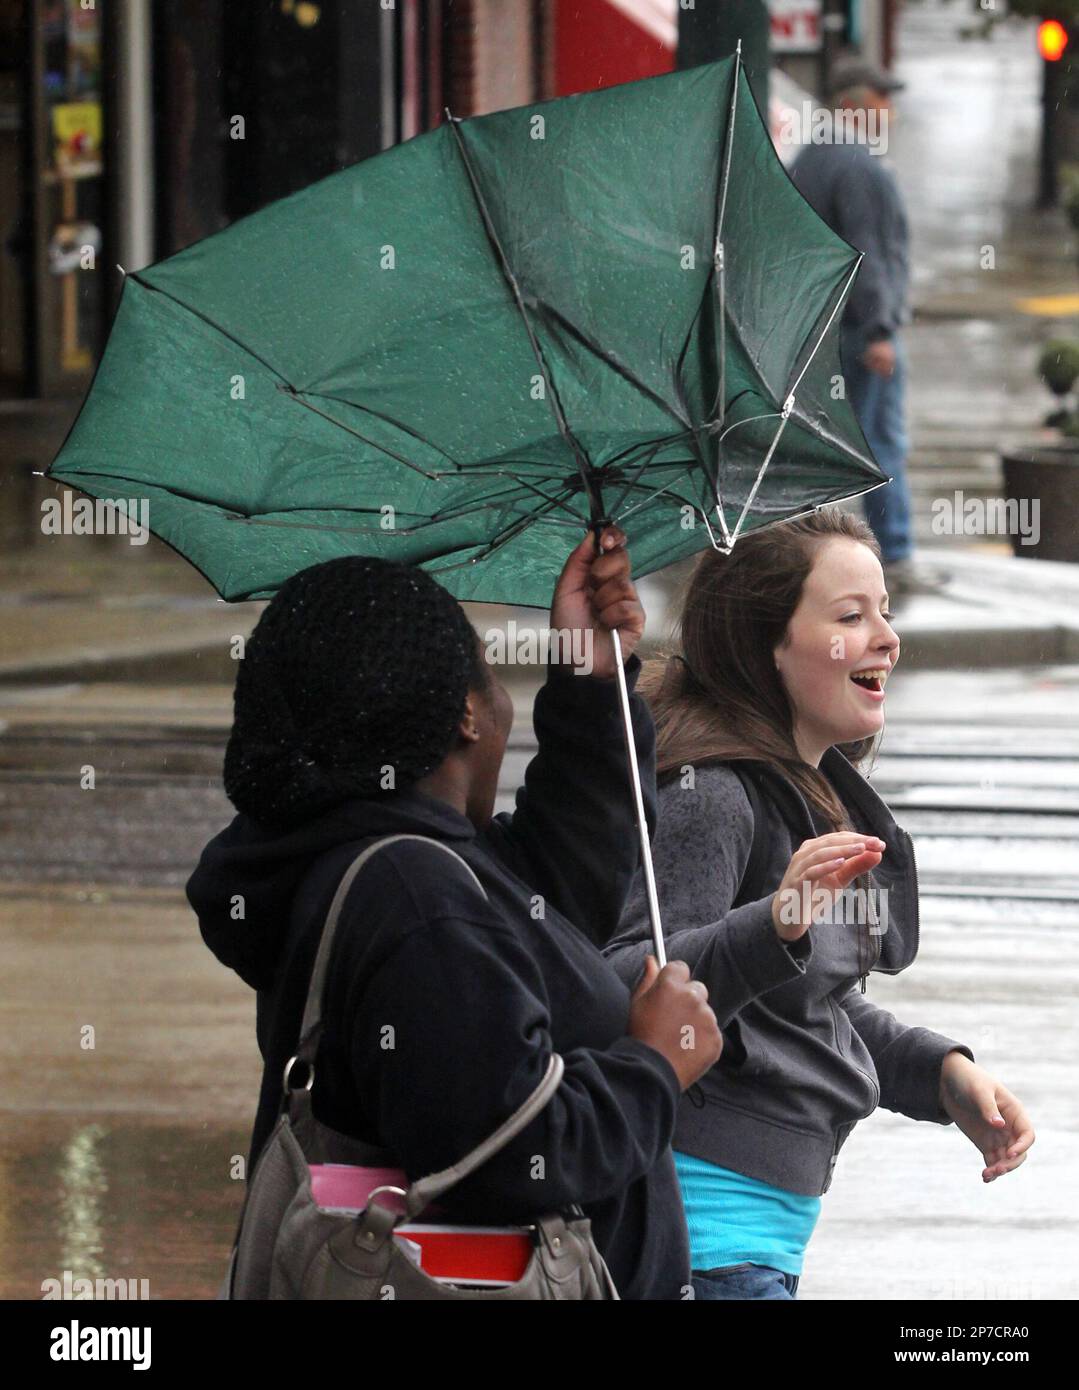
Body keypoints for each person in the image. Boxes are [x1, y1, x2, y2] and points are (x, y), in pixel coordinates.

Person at [186, 525, 721, 1301]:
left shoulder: (403, 866)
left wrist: (590, 676)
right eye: (493, 681)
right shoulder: (414, 899)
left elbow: (549, 902)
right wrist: (653, 1067)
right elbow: (504, 1156)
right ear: (467, 713)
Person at [604, 508, 1034, 1300]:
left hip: (756, 1245)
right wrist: (772, 924)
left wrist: (938, 1074)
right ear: (765, 646)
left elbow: (800, 1004)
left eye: (884, 613)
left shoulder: (804, 794)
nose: (885, 638)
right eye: (849, 616)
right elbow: (630, 978)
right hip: (704, 1240)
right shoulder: (715, 797)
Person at [791, 58, 944, 602]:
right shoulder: (858, 166)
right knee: (880, 441)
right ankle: (894, 555)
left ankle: (806, 556)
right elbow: (868, 255)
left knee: (824, 445)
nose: (891, 110)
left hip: (817, 330)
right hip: (858, 332)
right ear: (854, 106)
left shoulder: (811, 159)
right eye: (883, 99)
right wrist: (879, 328)